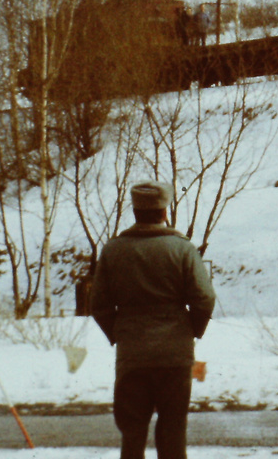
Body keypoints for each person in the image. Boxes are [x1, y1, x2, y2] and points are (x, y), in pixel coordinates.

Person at [91, 180, 216, 459]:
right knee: (173, 432)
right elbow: (204, 298)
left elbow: (98, 304)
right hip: (175, 354)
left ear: (135, 211)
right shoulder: (182, 249)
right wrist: (191, 330)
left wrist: (119, 332)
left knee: (132, 434)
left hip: (132, 353)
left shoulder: (113, 249)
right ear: (164, 211)